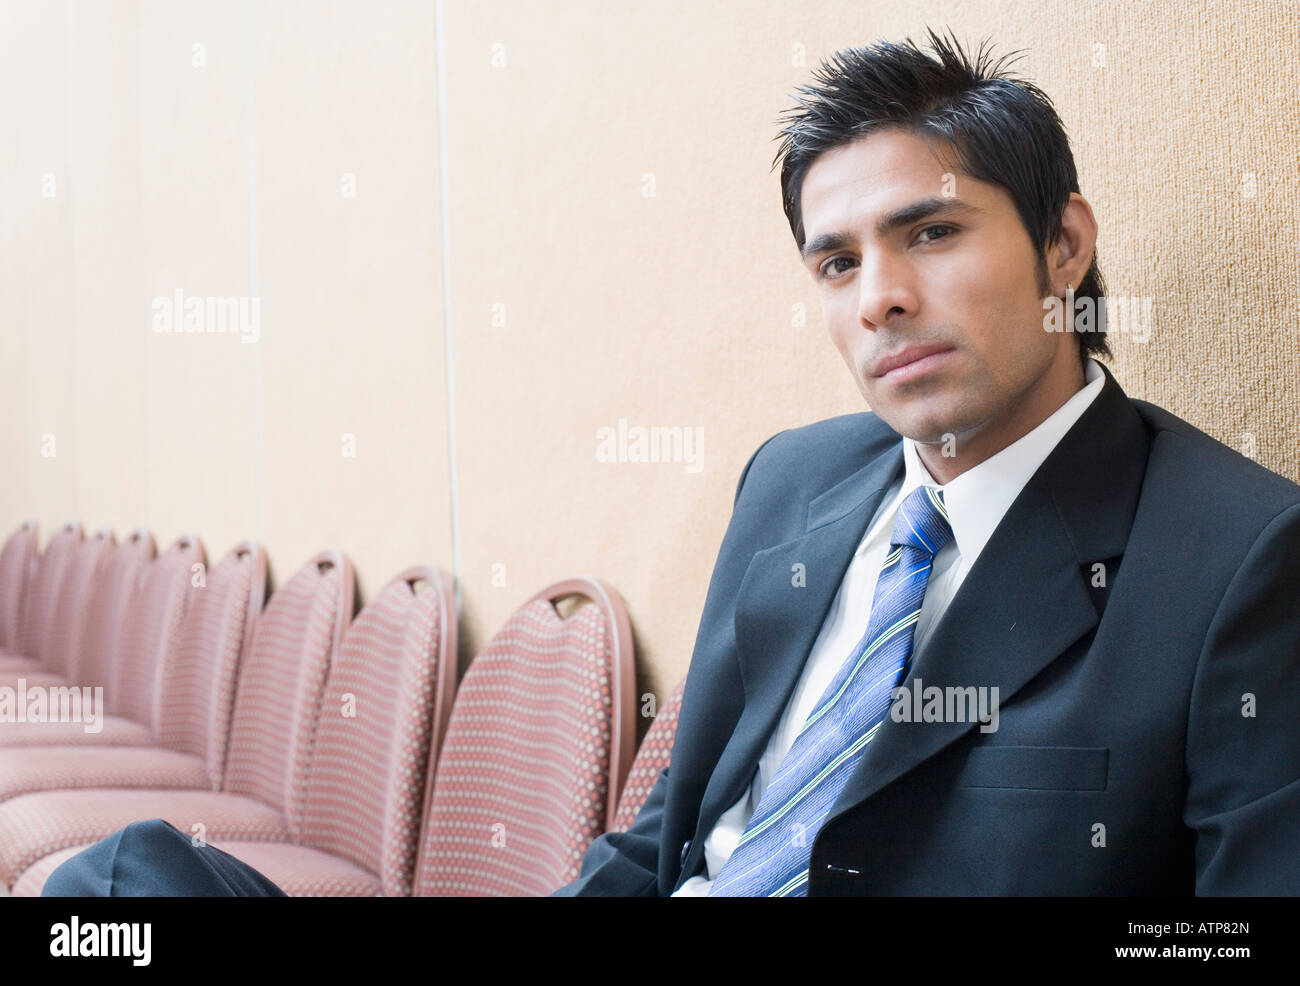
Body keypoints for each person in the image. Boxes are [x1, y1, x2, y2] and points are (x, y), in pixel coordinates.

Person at [41, 28, 1300, 898]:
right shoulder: (797, 485)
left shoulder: (1234, 557)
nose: (881, 298)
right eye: (837, 261)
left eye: (930, 231)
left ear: (1062, 244)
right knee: (116, 881)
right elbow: (668, 838)